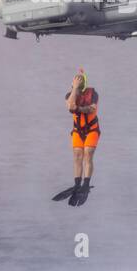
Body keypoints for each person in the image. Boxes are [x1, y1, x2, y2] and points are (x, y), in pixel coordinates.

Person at [54, 69, 99, 206]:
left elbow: (90, 109)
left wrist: (77, 108)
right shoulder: (70, 94)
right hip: (77, 130)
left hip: (92, 129)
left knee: (88, 154)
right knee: (77, 155)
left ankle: (86, 184)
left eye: (78, 85)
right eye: (74, 84)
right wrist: (74, 90)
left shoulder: (93, 94)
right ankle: (77, 184)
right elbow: (70, 106)